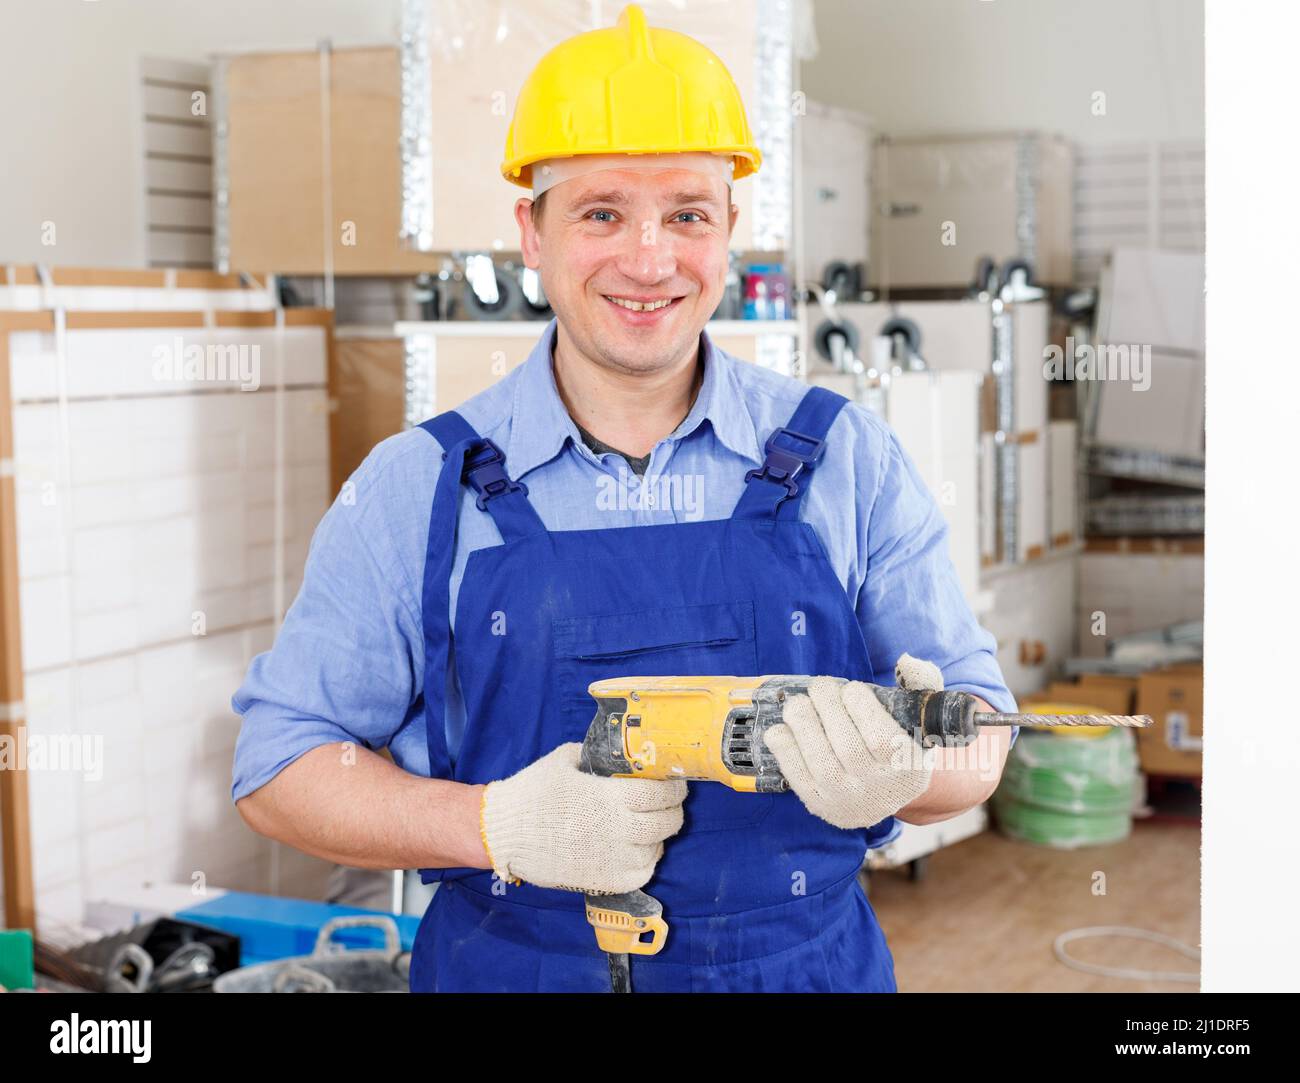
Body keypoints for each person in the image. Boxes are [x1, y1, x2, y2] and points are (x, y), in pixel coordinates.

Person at [231, 4, 1016, 992]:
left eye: (687, 212)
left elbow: (980, 730)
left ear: (730, 229)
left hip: (800, 970)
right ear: (532, 231)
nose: (649, 260)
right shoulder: (417, 486)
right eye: (602, 212)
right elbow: (277, 766)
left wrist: (910, 774)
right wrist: (491, 824)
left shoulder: (846, 459)